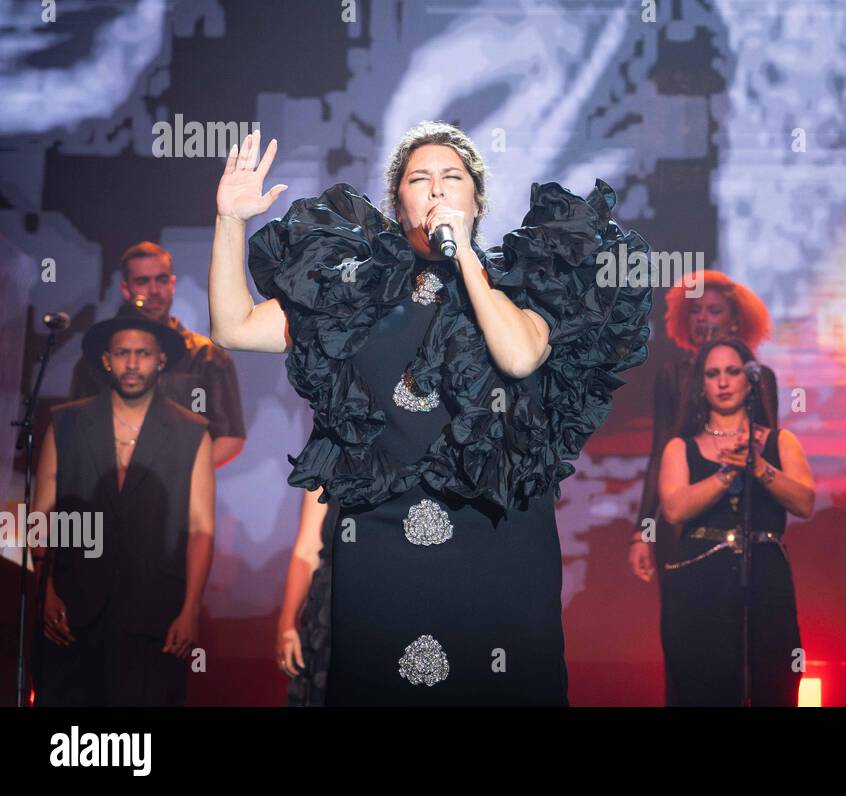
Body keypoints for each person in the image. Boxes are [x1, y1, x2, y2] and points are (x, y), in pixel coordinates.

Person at [209, 123, 651, 705]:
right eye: (419, 179)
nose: (436, 190)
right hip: (380, 538)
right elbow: (233, 327)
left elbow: (518, 356)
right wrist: (229, 220)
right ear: (399, 204)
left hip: (495, 538)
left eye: (452, 178)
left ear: (477, 200)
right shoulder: (355, 293)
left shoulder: (526, 283)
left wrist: (465, 255)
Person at [32, 315, 216, 706]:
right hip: (72, 609)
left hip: (154, 614)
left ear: (160, 360)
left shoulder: (191, 432)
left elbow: (201, 529)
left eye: (143, 353)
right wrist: (45, 591)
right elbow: (42, 517)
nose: (132, 363)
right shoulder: (65, 423)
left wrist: (190, 611)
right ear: (106, 361)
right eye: (122, 353)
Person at [628, 272, 779, 702]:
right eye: (696, 311)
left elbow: (772, 451)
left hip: (743, 525)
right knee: (685, 643)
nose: (704, 319)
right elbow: (658, 454)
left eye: (714, 310)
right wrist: (643, 530)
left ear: (735, 319)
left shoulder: (759, 377)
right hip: (682, 524)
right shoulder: (671, 377)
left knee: (746, 646)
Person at [657, 338, 813, 706]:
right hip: (700, 582)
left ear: (750, 380)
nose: (723, 382)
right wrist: (726, 474)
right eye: (713, 374)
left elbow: (804, 502)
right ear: (701, 384)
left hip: (766, 576)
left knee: (773, 678)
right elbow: (675, 509)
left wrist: (758, 466)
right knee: (705, 684)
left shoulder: (780, 441)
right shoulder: (681, 447)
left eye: (732, 372)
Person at [70, 242, 247, 468]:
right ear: (126, 289)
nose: (154, 290)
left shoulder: (207, 356)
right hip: (106, 487)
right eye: (142, 281)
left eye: (161, 279)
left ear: (172, 284)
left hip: (180, 494)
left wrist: (180, 477)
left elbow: (230, 436)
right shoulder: (95, 360)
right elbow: (75, 429)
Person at [277, 492, 338, 707]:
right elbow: (307, 551)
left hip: (401, 602)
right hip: (333, 612)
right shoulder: (327, 459)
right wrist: (286, 624)